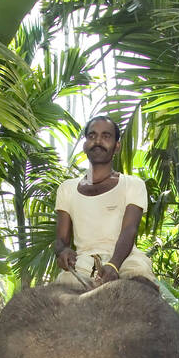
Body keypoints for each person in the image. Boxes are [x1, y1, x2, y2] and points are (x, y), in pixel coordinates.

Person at [53, 115, 157, 287]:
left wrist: (113, 265)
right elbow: (61, 239)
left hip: (126, 258)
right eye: (92, 136)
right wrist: (63, 251)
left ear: (117, 146)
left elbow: (129, 230)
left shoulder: (133, 184)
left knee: (140, 277)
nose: (98, 141)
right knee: (64, 287)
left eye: (106, 136)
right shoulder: (67, 188)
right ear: (85, 145)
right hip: (84, 261)